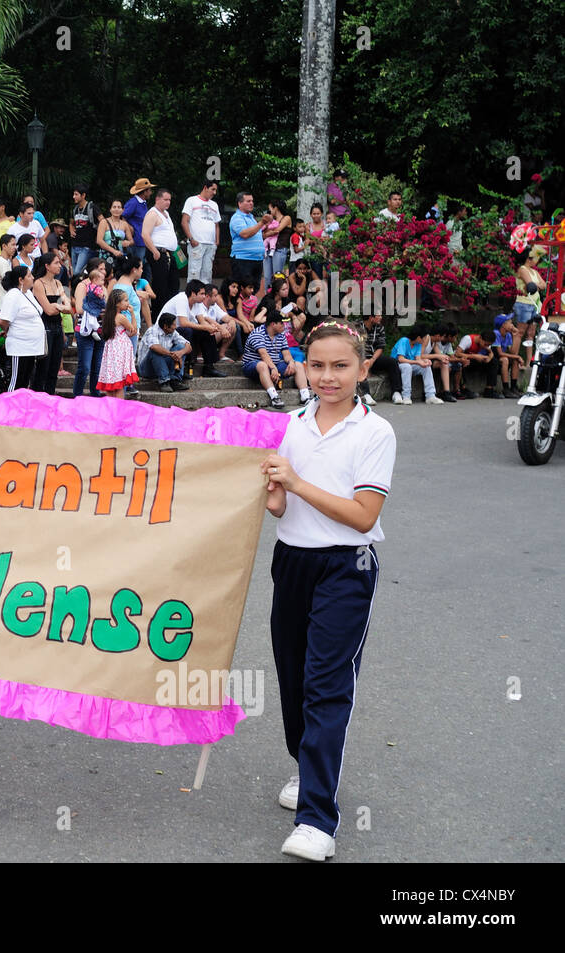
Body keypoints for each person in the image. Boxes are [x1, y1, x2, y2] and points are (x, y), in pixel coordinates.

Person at [260, 320, 396, 862]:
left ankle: (318, 818)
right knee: (292, 678)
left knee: (326, 685)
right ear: (304, 366)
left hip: (346, 568)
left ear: (364, 369)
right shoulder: (290, 423)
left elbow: (363, 516)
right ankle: (309, 765)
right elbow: (277, 504)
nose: (328, 376)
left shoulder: (375, 432)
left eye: (341, 366)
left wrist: (295, 483)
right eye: (317, 365)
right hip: (291, 561)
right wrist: (274, 492)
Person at [243, 311, 310, 408]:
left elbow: (286, 353)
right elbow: (263, 354)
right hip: (253, 366)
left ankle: (305, 397)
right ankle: (274, 397)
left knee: (298, 364)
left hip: (274, 365)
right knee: (263, 365)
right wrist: (273, 368)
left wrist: (291, 362)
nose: (284, 326)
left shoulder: (281, 335)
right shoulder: (258, 333)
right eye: (281, 323)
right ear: (273, 324)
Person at [160, 280, 223, 377]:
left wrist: (211, 328)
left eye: (204, 294)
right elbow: (183, 323)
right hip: (167, 331)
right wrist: (205, 327)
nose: (203, 296)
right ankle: (185, 366)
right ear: (193, 293)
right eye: (202, 294)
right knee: (188, 331)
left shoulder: (197, 303)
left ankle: (209, 367)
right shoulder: (182, 299)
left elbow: (202, 321)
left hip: (181, 330)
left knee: (207, 332)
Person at [0, 265, 45, 391]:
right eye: (29, 275)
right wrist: (7, 331)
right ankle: (9, 407)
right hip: (20, 346)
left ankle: (20, 408)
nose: (33, 278)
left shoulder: (28, 293)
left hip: (31, 346)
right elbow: (3, 321)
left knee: (25, 381)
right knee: (17, 380)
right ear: (21, 280)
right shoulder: (13, 295)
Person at [30, 253, 70, 395]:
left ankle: (50, 396)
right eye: (56, 263)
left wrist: (58, 307)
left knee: (54, 368)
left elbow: (69, 307)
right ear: (47, 266)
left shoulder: (58, 283)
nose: (60, 266)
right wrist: (59, 307)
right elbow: (47, 310)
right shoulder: (38, 284)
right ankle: (38, 397)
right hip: (44, 328)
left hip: (58, 328)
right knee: (43, 367)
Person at [71, 260, 108, 398]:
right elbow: (80, 309)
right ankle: (78, 395)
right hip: (85, 330)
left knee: (97, 367)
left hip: (100, 329)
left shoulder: (103, 286)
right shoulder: (83, 286)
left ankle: (95, 394)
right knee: (85, 367)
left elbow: (107, 308)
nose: (104, 271)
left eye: (104, 269)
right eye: (101, 269)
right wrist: (97, 310)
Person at [96, 288, 139, 396]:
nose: (127, 303)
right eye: (125, 300)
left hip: (111, 349)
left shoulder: (108, 316)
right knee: (119, 383)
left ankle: (111, 409)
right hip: (119, 350)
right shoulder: (121, 317)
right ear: (117, 304)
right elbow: (133, 330)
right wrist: (133, 313)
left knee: (112, 382)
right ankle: (119, 410)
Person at [142, 188, 180, 308]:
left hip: (172, 252)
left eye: (169, 200)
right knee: (160, 285)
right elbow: (145, 234)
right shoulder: (152, 213)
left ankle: (169, 311)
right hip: (159, 252)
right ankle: (158, 313)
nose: (168, 202)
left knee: (174, 284)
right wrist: (154, 251)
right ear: (157, 199)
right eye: (165, 199)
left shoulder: (166, 214)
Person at [136, 311, 192, 393]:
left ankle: (174, 380)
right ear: (166, 326)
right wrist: (171, 354)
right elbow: (154, 347)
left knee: (180, 347)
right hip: (146, 369)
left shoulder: (173, 332)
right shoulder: (152, 331)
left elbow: (188, 346)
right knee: (155, 351)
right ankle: (164, 381)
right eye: (173, 324)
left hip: (163, 364)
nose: (175, 327)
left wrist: (181, 353)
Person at [389, 327, 442, 405]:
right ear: (418, 337)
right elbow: (401, 359)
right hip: (398, 366)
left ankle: (430, 396)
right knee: (407, 367)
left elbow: (418, 359)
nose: (424, 340)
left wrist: (425, 361)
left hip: (410, 365)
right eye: (423, 338)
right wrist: (418, 362)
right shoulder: (404, 341)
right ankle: (406, 396)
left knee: (426, 367)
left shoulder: (418, 344)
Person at [181, 180, 221, 284]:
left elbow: (216, 224)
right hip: (196, 243)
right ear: (205, 188)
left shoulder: (214, 205)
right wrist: (191, 239)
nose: (214, 192)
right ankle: (193, 298)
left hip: (210, 244)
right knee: (194, 274)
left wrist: (216, 242)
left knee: (207, 274)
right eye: (212, 189)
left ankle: (205, 299)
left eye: (216, 190)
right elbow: (184, 221)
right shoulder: (192, 200)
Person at [229, 192, 270, 292]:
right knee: (241, 290)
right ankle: (239, 308)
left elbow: (256, 234)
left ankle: (250, 308)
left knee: (254, 290)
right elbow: (245, 234)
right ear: (240, 203)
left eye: (252, 201)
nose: (251, 203)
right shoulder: (236, 218)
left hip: (257, 259)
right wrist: (262, 223)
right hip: (243, 259)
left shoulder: (251, 217)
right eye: (248, 201)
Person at [357, 312, 398, 405]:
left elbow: (381, 346)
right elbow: (355, 346)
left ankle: (396, 392)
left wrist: (372, 360)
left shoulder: (379, 327)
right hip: (359, 357)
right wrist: (365, 362)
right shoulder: (357, 326)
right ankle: (366, 394)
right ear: (371, 317)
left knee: (392, 362)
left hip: (373, 357)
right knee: (360, 366)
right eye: (378, 316)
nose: (381, 317)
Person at [455, 327, 499, 398]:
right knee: (463, 362)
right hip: (466, 360)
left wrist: (489, 358)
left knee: (494, 361)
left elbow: (491, 353)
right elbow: (457, 354)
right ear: (480, 338)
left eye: (488, 345)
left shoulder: (486, 343)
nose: (486, 346)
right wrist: (475, 356)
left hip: (476, 361)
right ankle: (463, 388)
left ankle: (489, 389)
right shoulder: (468, 339)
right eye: (485, 344)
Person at [262, 200, 293, 295]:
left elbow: (277, 230)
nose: (270, 211)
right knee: (267, 277)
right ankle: (268, 297)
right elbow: (263, 234)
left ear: (276, 208)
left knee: (277, 275)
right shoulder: (271, 221)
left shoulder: (286, 218)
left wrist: (267, 232)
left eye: (270, 208)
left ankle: (278, 299)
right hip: (268, 249)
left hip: (280, 249)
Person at [489, 314, 524, 398]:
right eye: (509, 322)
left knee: (515, 360)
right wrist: (517, 356)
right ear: (503, 325)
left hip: (501, 358)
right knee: (505, 359)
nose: (512, 324)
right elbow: (500, 353)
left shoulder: (508, 335)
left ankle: (513, 387)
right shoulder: (496, 333)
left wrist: (516, 335)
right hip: (493, 358)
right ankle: (506, 389)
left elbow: (512, 352)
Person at [69, 185, 99, 280]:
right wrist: (71, 228)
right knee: (74, 272)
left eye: (76, 194)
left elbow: (102, 221)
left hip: (87, 245)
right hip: (75, 245)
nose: (74, 196)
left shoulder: (92, 207)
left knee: (78, 272)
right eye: (73, 194)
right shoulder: (75, 210)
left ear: (83, 195)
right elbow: (71, 222)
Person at [125, 178, 154, 264]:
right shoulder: (133, 203)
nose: (151, 193)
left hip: (142, 241)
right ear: (144, 192)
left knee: (145, 266)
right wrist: (129, 228)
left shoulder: (143, 202)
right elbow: (122, 217)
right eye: (149, 190)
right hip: (136, 241)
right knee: (137, 265)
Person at [95, 199, 133, 265]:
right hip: (106, 255)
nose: (116, 209)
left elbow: (132, 241)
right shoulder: (104, 222)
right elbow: (99, 241)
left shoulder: (125, 224)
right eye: (114, 207)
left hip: (120, 256)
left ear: (122, 210)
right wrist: (113, 251)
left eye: (119, 207)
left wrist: (128, 243)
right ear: (110, 209)